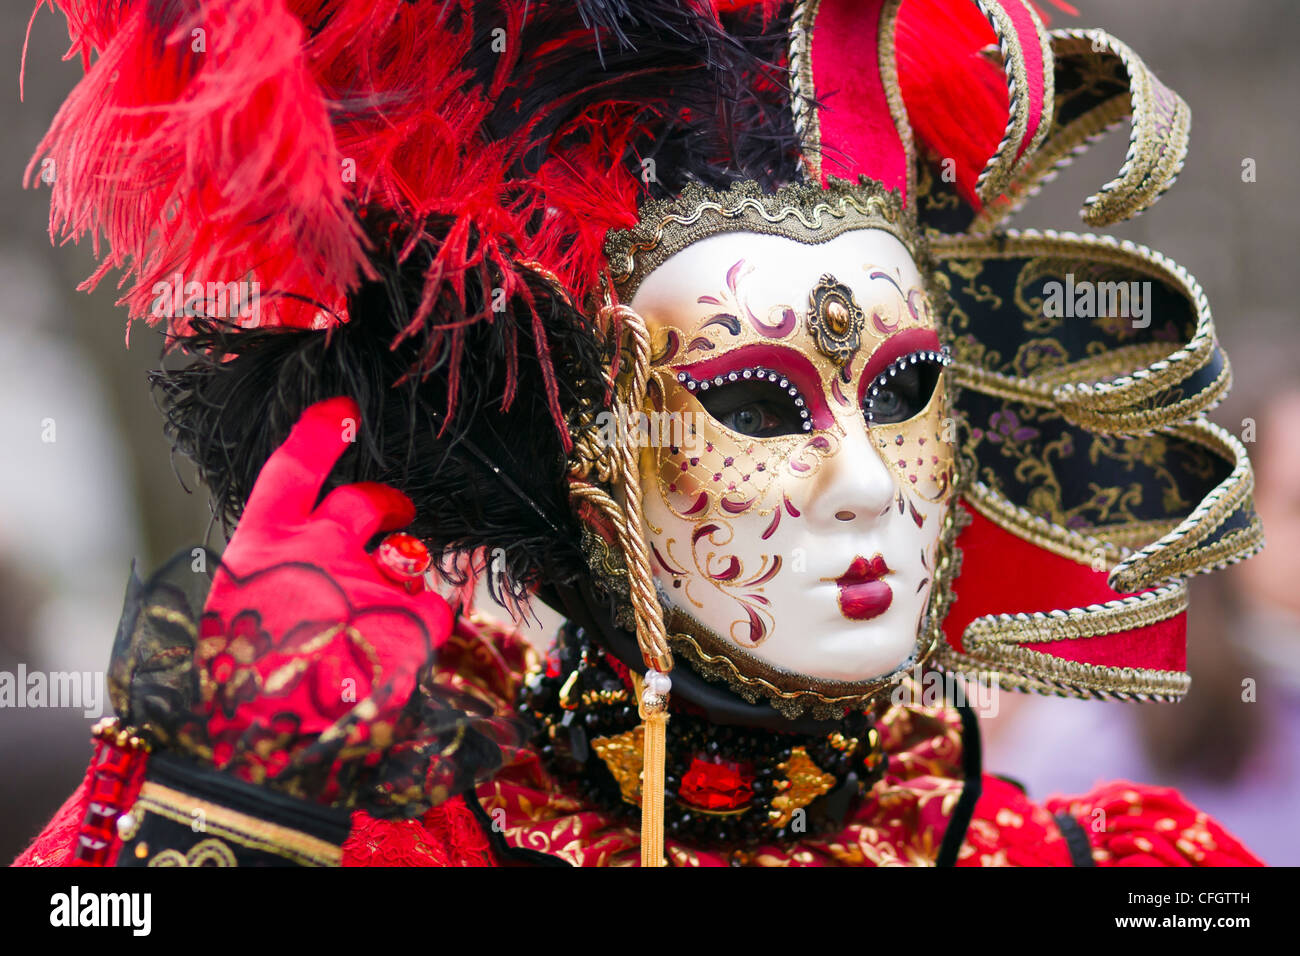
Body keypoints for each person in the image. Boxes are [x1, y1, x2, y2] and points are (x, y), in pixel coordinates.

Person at [13, 0, 1264, 867]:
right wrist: (218, 813)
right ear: (590, 443)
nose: (864, 482)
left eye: (903, 386)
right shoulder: (407, 838)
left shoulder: (1123, 864)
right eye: (757, 400)